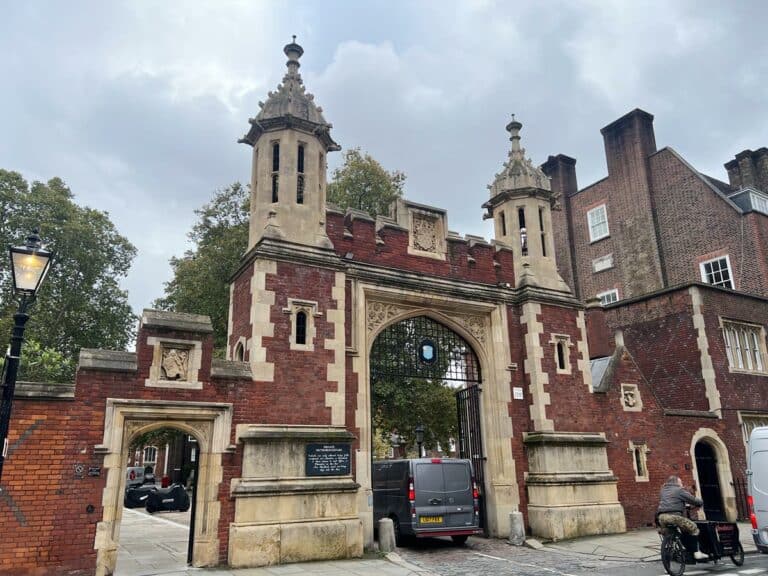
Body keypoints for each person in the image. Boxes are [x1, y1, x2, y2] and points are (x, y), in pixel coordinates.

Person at [657, 475, 707, 560]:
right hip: (674, 516)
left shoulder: (663, 490)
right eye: (680, 482)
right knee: (694, 528)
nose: (681, 484)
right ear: (676, 482)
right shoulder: (679, 490)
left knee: (673, 533)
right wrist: (700, 502)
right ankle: (697, 552)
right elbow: (693, 500)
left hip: (661, 517)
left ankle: (669, 561)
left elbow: (671, 501)